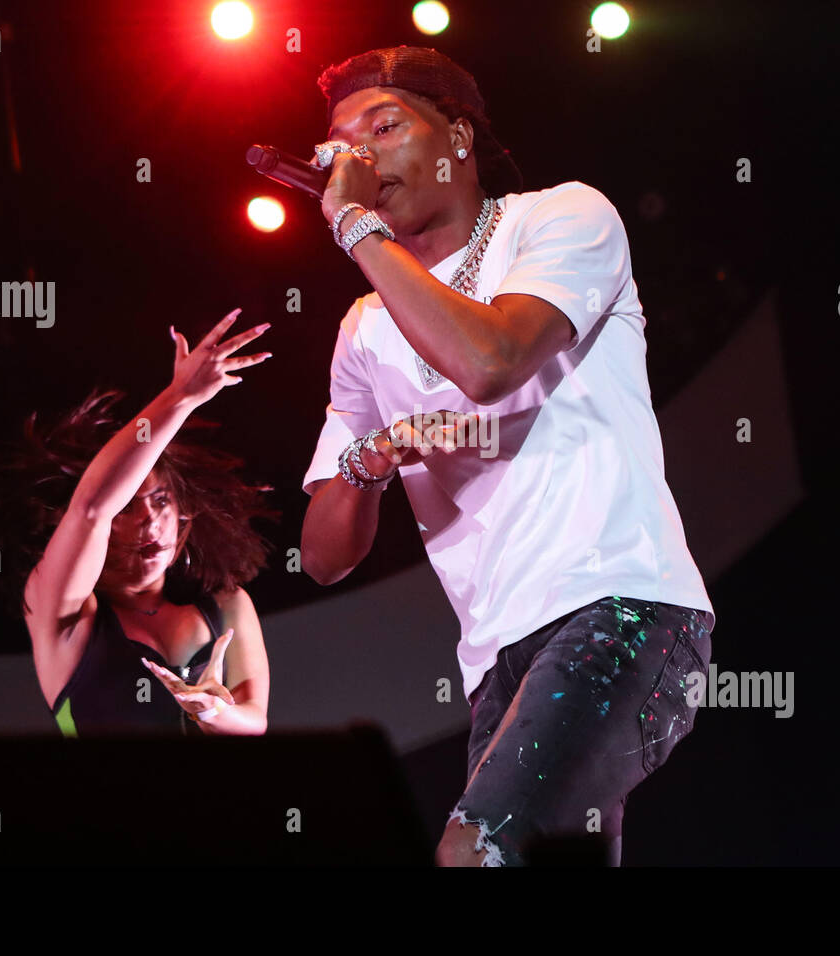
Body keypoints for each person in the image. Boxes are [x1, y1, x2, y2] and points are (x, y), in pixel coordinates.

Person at [299, 46, 717, 865]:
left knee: (471, 853)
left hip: (623, 607)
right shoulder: (364, 328)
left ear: (457, 137)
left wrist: (357, 229)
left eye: (384, 128)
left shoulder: (562, 218)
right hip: (496, 660)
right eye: (341, 147)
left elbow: (491, 364)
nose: (359, 159)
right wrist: (373, 458)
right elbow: (322, 556)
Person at [0, 311, 274, 736]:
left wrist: (213, 711)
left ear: (183, 512)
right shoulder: (62, 613)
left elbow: (255, 722)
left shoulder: (228, 603)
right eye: (128, 507)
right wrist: (180, 396)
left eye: (161, 500)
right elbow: (90, 507)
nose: (149, 520)